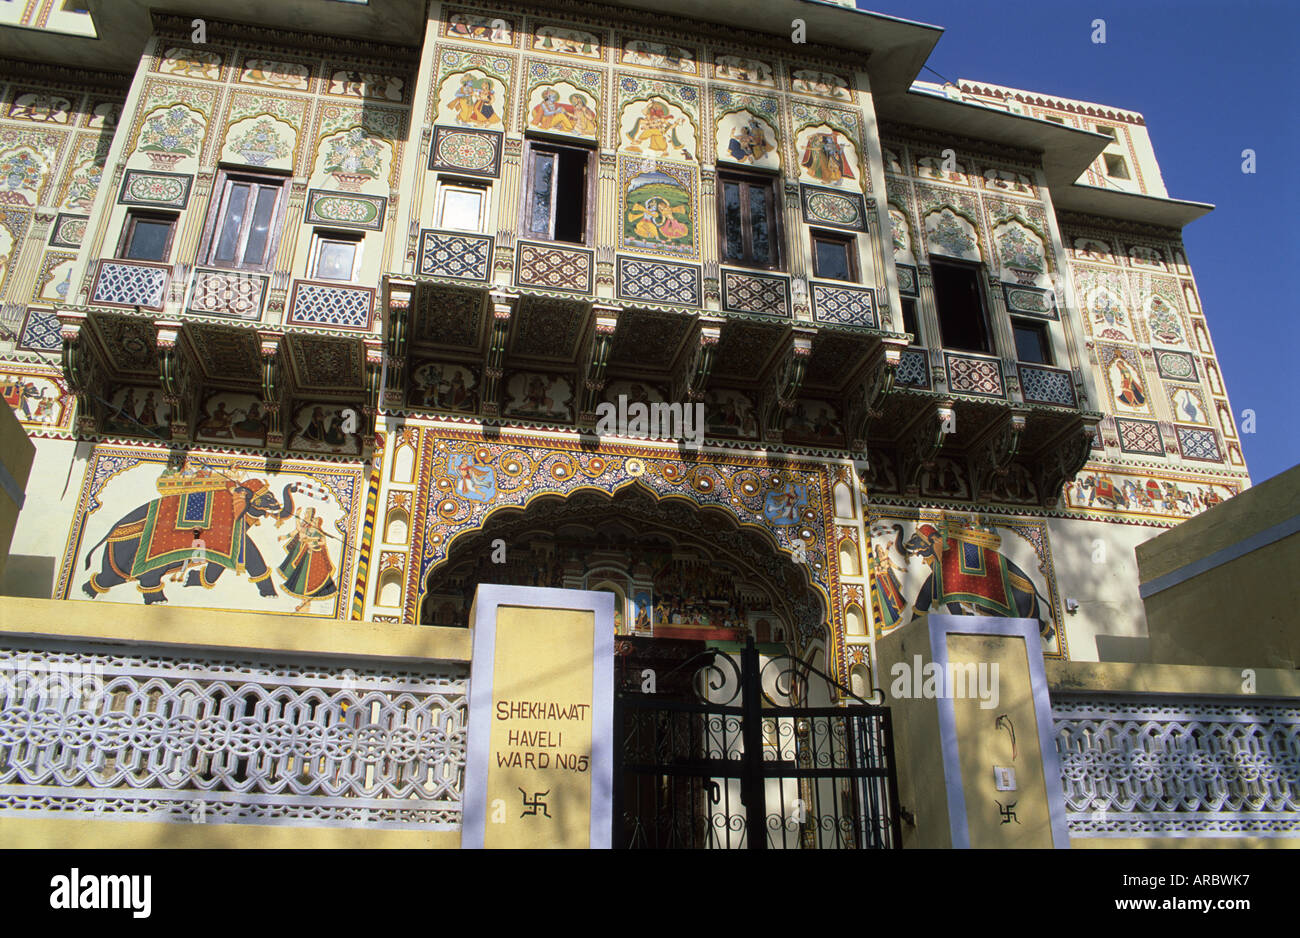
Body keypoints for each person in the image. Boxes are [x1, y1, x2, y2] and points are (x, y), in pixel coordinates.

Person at [277, 508, 337, 613]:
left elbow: (322, 543)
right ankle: (304, 603)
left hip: (315, 560)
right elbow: (299, 529)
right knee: (302, 579)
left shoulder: (319, 534)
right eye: (312, 521)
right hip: (306, 558)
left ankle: (306, 604)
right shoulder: (308, 530)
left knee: (311, 580)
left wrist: (314, 543)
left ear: (318, 524)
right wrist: (297, 516)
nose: (312, 522)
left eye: (314, 521)